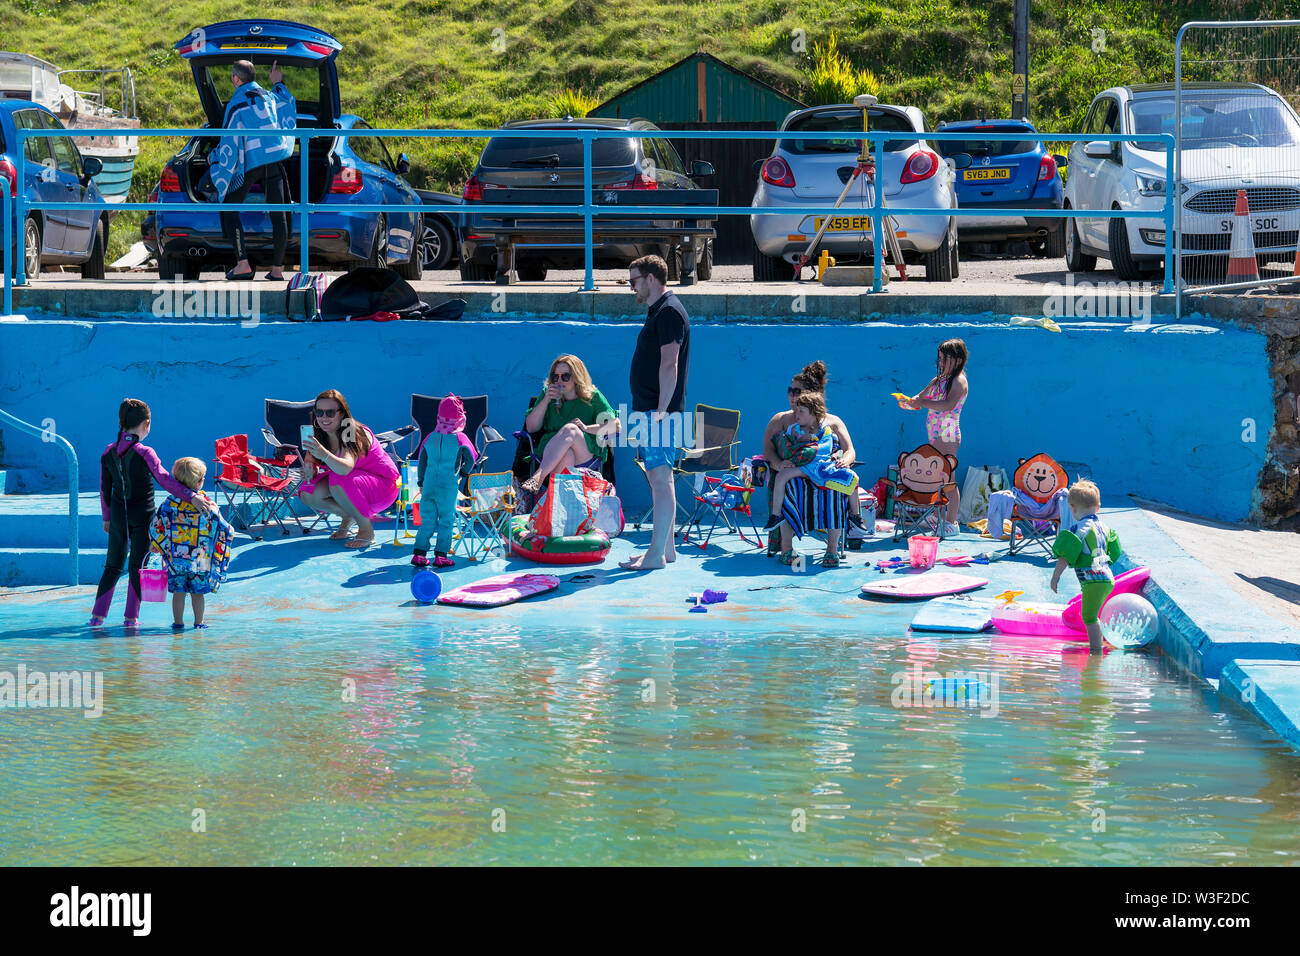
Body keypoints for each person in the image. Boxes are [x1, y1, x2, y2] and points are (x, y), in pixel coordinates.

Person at [90, 398, 217, 628]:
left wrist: (107, 517)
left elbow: (103, 488)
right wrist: (192, 496)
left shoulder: (108, 452)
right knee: (137, 567)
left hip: (118, 516)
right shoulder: (144, 452)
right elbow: (164, 479)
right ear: (146, 423)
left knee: (112, 565)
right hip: (142, 518)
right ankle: (131, 619)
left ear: (121, 422)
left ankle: (97, 617)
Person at [620, 254, 689, 571]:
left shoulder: (669, 312)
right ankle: (666, 550)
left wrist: (661, 410)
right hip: (649, 411)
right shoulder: (658, 312)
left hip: (657, 413)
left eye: (633, 280)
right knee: (658, 481)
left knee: (661, 482)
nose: (631, 286)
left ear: (650, 278)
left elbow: (670, 363)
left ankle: (654, 555)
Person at [760, 361, 859, 560]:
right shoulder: (781, 419)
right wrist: (778, 464)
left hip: (823, 475)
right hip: (793, 476)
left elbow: (850, 450)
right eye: (790, 391)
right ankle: (787, 549)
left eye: (797, 392)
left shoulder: (833, 421)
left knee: (834, 490)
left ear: (812, 396)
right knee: (788, 486)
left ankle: (832, 550)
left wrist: (845, 461)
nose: (791, 396)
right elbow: (768, 450)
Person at [212, 59, 295, 281]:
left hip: (251, 162)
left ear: (236, 79)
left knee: (229, 209)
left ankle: (243, 264)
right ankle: (277, 271)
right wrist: (278, 82)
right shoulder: (269, 96)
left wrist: (217, 159)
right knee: (280, 216)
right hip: (275, 158)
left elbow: (229, 140)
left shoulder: (236, 104)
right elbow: (287, 103)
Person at [299, 389, 400, 549]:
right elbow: (310, 459)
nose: (324, 418)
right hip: (355, 486)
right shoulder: (319, 432)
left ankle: (366, 531)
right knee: (308, 490)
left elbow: (345, 468)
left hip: (383, 488)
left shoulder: (350, 431)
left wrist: (323, 454)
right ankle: (348, 516)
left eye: (330, 413)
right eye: (319, 412)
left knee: (338, 479)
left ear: (342, 414)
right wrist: (309, 470)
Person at [149, 457, 235, 630]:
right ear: (199, 482)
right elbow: (222, 526)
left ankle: (178, 623)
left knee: (179, 593)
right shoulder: (206, 504)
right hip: (201, 558)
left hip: (176, 558)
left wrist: (156, 545)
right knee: (198, 593)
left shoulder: (170, 503)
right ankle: (199, 623)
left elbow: (157, 525)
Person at [520, 354, 619, 495]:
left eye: (565, 376)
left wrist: (585, 428)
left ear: (577, 377)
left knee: (571, 429)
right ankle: (553, 504)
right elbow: (531, 427)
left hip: (584, 450)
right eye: (555, 376)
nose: (559, 380)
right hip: (551, 450)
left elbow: (615, 426)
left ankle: (539, 476)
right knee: (566, 454)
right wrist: (545, 401)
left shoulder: (592, 396)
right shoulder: (547, 393)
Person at [903, 338, 968, 533]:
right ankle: (936, 515)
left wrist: (922, 403)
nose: (940, 363)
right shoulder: (939, 380)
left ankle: (951, 522)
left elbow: (948, 405)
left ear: (957, 360)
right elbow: (920, 398)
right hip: (935, 432)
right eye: (939, 359)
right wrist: (910, 401)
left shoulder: (959, 381)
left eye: (944, 359)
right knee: (936, 477)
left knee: (948, 478)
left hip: (948, 432)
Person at [1050, 480, 1123, 653]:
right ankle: (1097, 644)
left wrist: (1055, 577)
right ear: (1098, 507)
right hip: (1106, 578)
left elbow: (1064, 556)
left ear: (1073, 508)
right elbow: (1115, 550)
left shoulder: (1078, 529)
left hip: (1094, 581)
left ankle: (1095, 652)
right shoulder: (1105, 528)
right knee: (1092, 613)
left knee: (1089, 617)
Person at [411, 394, 477, 568]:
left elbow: (422, 460)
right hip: (448, 486)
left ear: (439, 417)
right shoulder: (461, 439)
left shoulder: (430, 437)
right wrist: (462, 472)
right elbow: (472, 458)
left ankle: (419, 554)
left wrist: (421, 481)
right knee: (446, 520)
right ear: (460, 418)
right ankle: (441, 555)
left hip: (429, 485)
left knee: (427, 521)